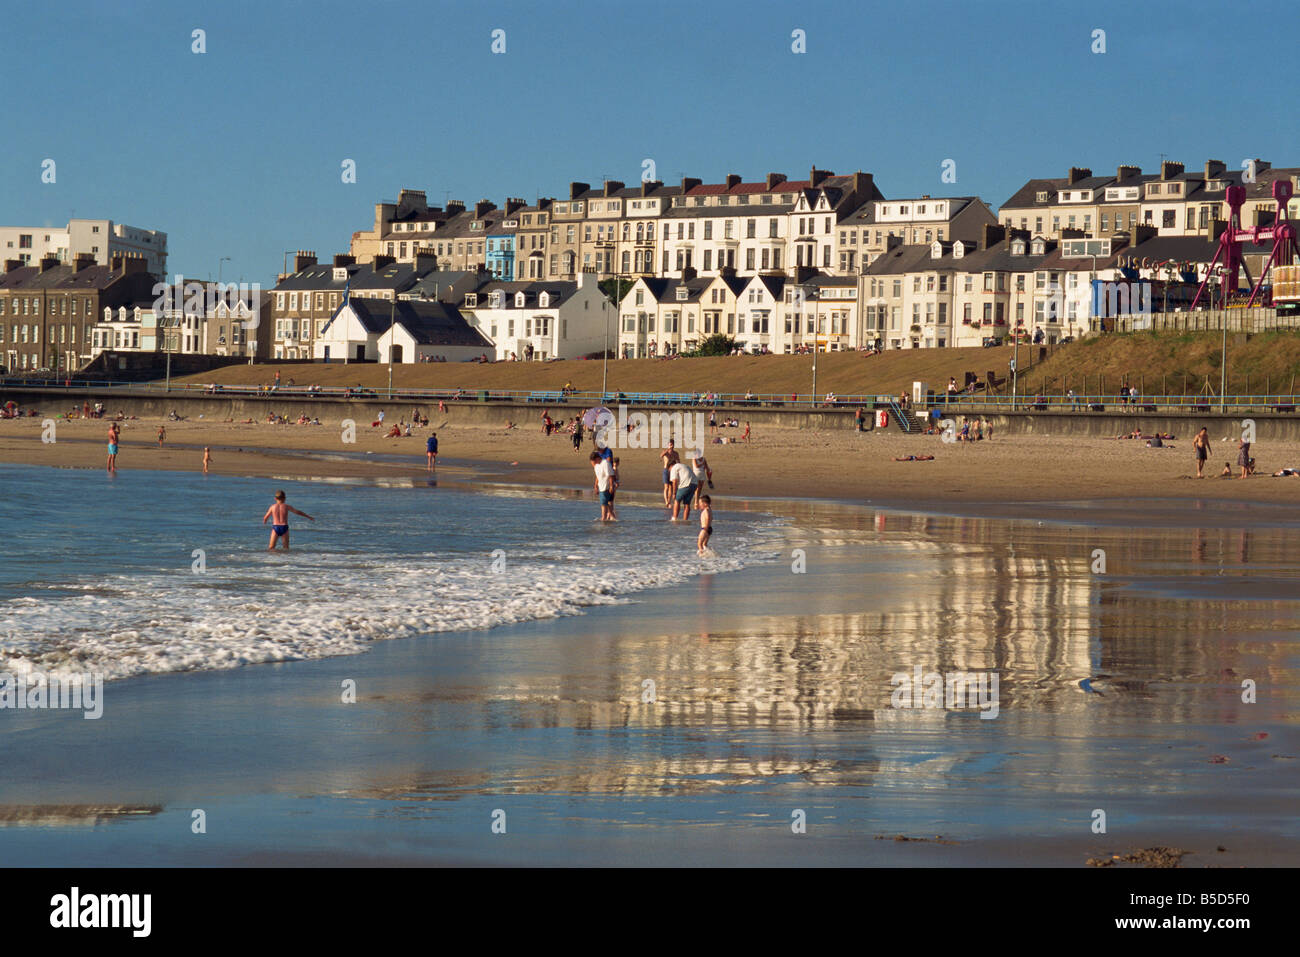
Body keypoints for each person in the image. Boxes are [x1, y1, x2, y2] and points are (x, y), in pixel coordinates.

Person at [590, 451, 615, 522]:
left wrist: (611, 486)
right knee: (609, 507)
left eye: (594, 461)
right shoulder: (596, 466)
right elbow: (597, 476)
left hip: (606, 488)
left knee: (604, 505)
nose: (593, 463)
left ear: (597, 458)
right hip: (601, 488)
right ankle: (614, 520)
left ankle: (603, 519)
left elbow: (610, 475)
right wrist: (595, 486)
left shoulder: (605, 463)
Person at [660, 440, 680, 506]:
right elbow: (661, 456)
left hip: (672, 471)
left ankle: (669, 501)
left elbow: (678, 462)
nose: (671, 446)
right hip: (666, 470)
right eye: (669, 444)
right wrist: (668, 450)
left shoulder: (675, 453)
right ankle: (666, 502)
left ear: (674, 445)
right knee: (666, 487)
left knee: (671, 487)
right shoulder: (665, 452)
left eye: (672, 444)